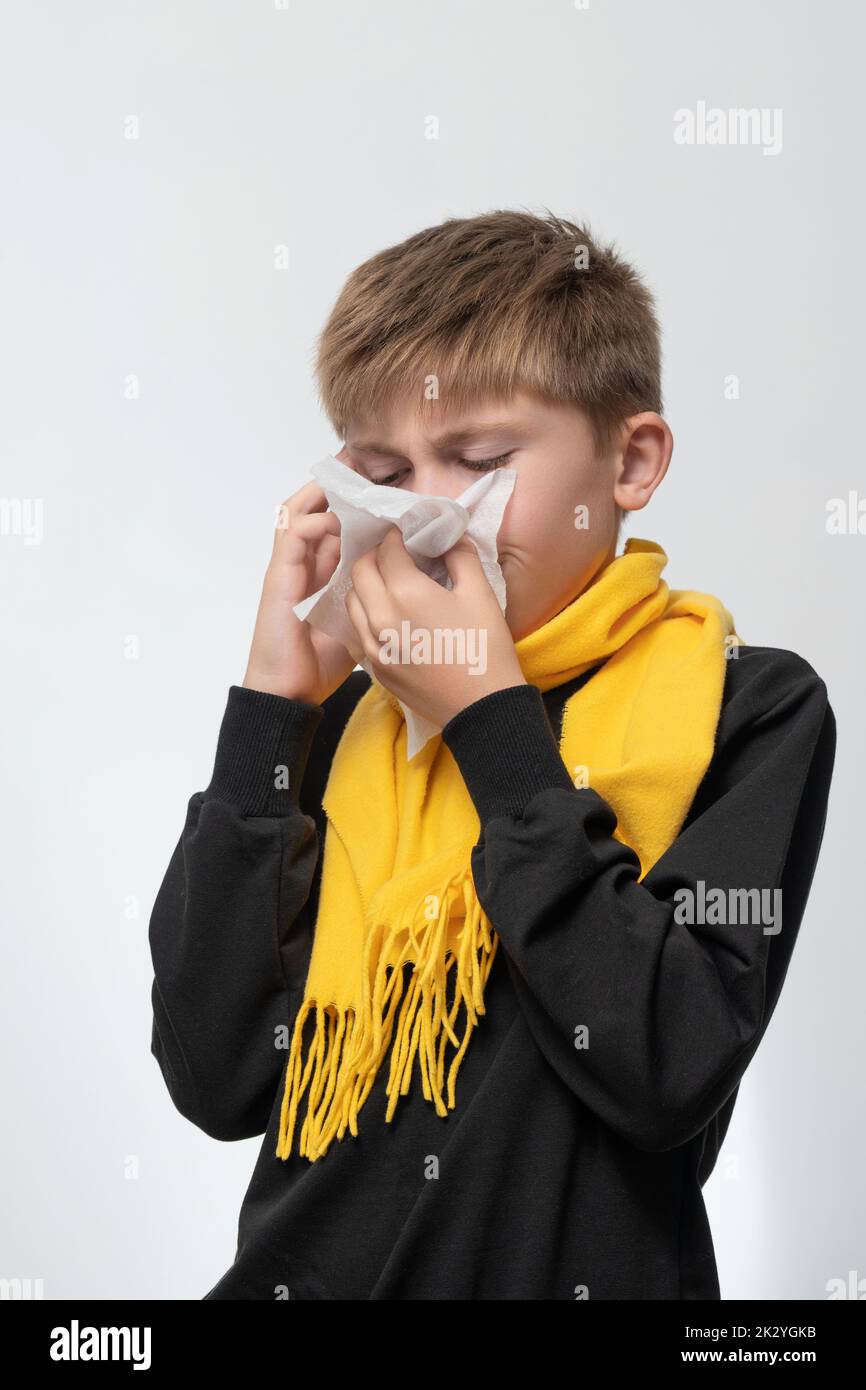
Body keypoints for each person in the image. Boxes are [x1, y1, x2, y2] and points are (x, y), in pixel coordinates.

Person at [147, 210, 836, 1300]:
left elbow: (670, 1066)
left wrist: (490, 723)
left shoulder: (750, 705)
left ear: (631, 458)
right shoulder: (343, 717)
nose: (426, 513)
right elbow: (216, 1075)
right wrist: (271, 715)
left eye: (478, 459)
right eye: (380, 468)